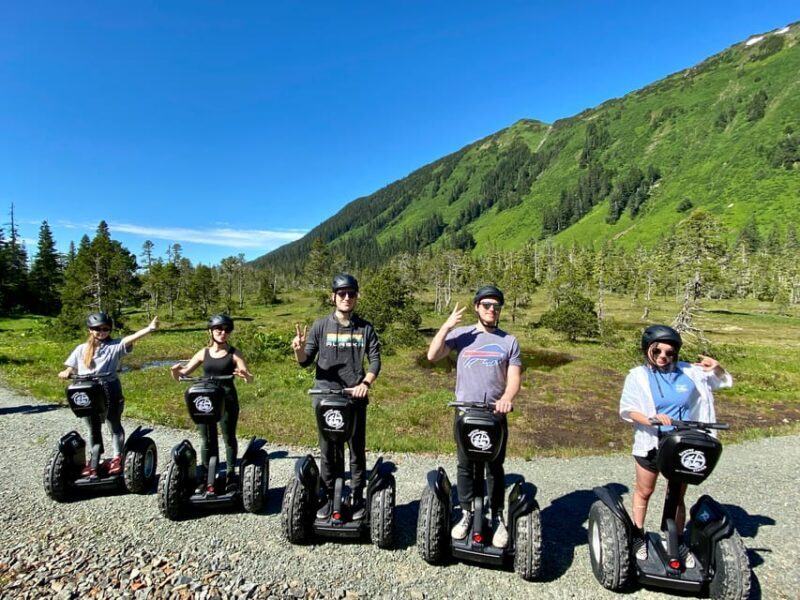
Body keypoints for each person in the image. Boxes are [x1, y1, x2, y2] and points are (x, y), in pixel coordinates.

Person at [619, 324, 732, 567]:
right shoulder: (637, 376)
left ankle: (677, 540)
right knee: (644, 491)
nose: (663, 357)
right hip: (652, 442)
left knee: (677, 495)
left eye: (669, 353)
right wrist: (650, 419)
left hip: (684, 443)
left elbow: (723, 382)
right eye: (657, 351)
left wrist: (717, 367)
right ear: (647, 350)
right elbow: (628, 409)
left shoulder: (689, 372)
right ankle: (638, 535)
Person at [426, 285, 520, 549]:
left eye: (496, 306)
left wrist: (507, 399)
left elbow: (514, 378)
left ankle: (498, 515)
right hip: (465, 412)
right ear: (477, 307)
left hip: (494, 414)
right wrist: (446, 326)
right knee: (465, 465)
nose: (492, 310)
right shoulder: (462, 335)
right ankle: (467, 512)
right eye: (487, 305)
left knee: (494, 466)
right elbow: (433, 355)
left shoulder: (509, 341)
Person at [291, 273, 381, 520]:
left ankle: (356, 495)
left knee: (356, 448)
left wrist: (365, 383)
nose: (347, 298)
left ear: (356, 297)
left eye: (351, 293)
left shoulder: (365, 328)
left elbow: (375, 361)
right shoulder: (321, 326)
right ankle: (328, 495)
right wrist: (299, 351)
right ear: (333, 297)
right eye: (342, 294)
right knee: (328, 449)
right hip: (325, 397)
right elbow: (305, 361)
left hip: (355, 397)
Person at [58, 312, 159, 476]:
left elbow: (131, 338)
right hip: (86, 390)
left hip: (109, 388)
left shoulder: (114, 346)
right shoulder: (81, 349)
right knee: (92, 426)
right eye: (97, 328)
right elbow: (72, 366)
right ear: (90, 329)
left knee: (113, 423)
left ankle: (117, 457)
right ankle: (95, 458)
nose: (101, 331)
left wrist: (149, 329)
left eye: (105, 329)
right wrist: (67, 371)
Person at [170, 314, 254, 492]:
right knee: (206, 439)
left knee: (228, 436)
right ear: (211, 331)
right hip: (206, 400)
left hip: (227, 399)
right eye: (219, 329)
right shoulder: (203, 353)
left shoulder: (234, 353)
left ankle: (231, 474)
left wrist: (245, 375)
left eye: (226, 330)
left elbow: (247, 375)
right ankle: (207, 475)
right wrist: (175, 372)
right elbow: (183, 374)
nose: (222, 333)